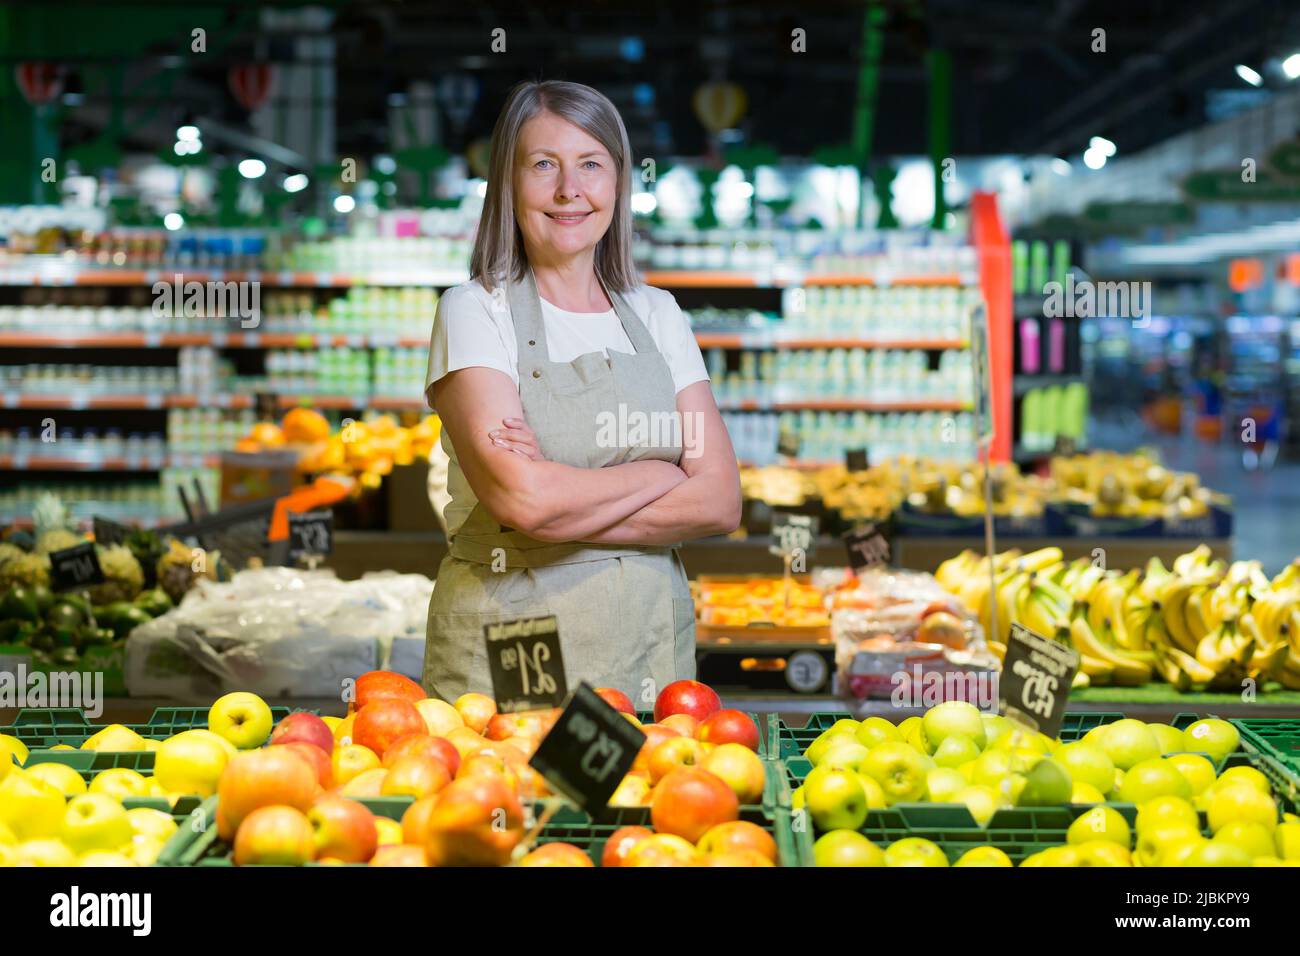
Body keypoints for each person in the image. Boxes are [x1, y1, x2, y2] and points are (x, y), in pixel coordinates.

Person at [421, 80, 741, 705]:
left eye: (591, 165)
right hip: (517, 639)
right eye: (544, 166)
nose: (570, 190)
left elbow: (722, 501)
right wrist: (661, 472)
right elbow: (525, 501)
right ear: (507, 183)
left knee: (646, 801)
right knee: (518, 797)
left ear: (618, 183)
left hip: (648, 643)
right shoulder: (473, 312)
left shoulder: (657, 314)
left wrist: (559, 505)